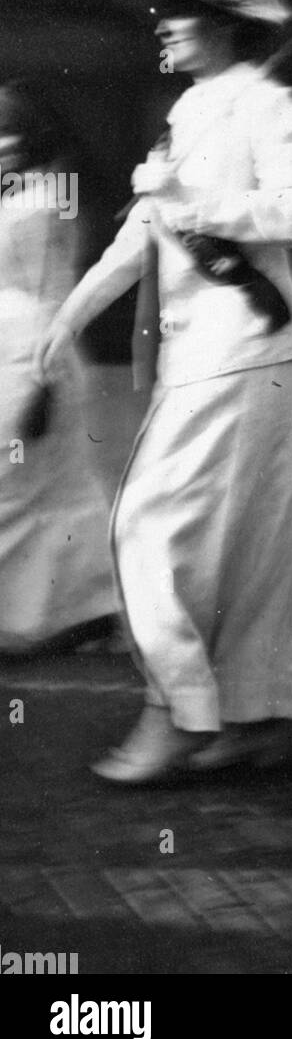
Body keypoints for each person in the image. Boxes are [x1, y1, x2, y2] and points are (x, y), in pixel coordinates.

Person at [35, 0, 292, 781]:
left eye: (174, 12)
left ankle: (175, 712)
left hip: (251, 348)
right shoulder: (188, 112)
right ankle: (260, 717)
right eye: (156, 15)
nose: (161, 29)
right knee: (247, 541)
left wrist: (193, 198)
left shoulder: (268, 107)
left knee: (151, 525)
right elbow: (140, 238)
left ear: (222, 20)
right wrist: (67, 317)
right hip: (205, 356)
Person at [0, 82, 117, 652]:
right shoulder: (10, 191)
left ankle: (76, 609)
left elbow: (55, 293)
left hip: (31, 354)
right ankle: (55, 613)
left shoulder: (48, 198)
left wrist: (42, 385)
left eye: (8, 132)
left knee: (25, 484)